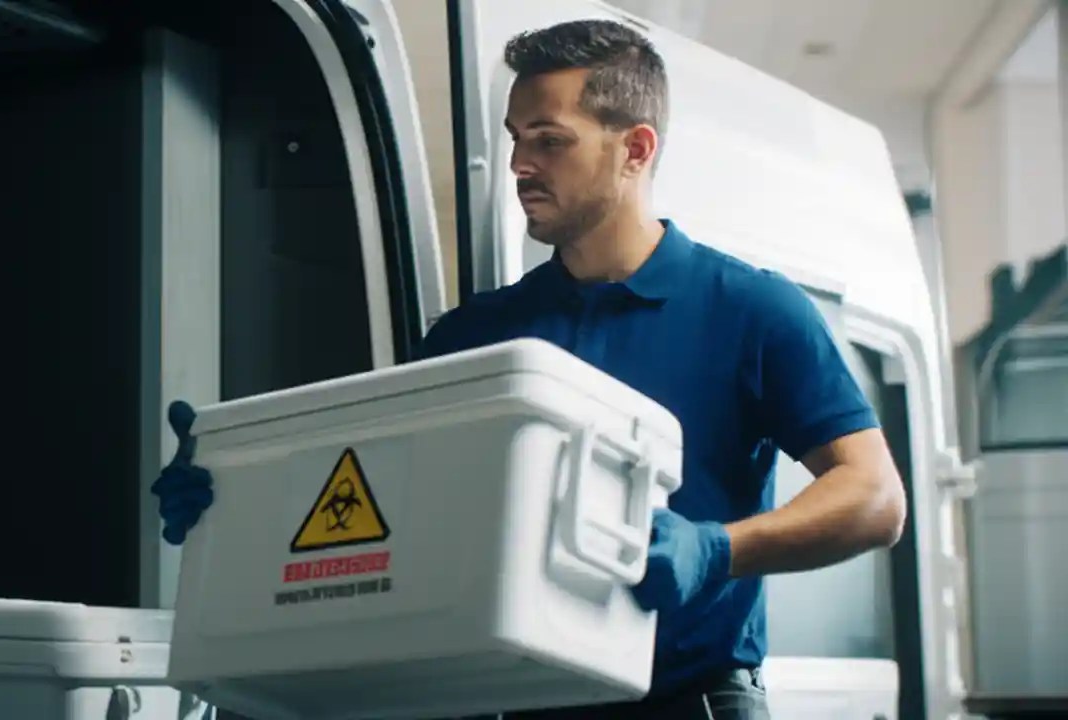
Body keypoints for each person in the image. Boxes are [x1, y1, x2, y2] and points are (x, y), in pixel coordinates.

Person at [152, 18, 907, 720]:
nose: (519, 164)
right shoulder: (474, 336)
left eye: (549, 141)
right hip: (513, 700)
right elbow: (382, 518)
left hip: (690, 702)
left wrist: (717, 550)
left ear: (635, 149)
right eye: (516, 139)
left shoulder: (751, 309)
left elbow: (874, 498)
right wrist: (239, 500)